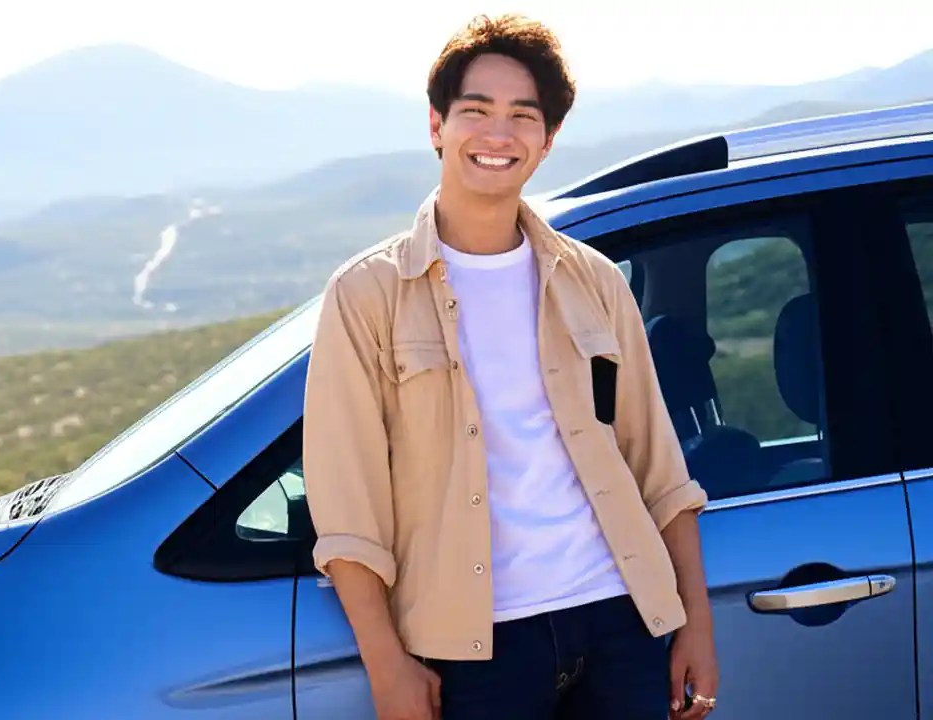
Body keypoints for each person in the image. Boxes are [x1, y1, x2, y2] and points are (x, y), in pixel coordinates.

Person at [302, 13, 719, 720]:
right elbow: (347, 504)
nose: (499, 135)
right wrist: (387, 665)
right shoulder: (367, 294)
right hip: (475, 650)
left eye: (523, 116)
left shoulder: (593, 281)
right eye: (477, 111)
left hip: (621, 618)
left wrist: (696, 626)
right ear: (437, 125)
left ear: (547, 140)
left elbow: (655, 465)